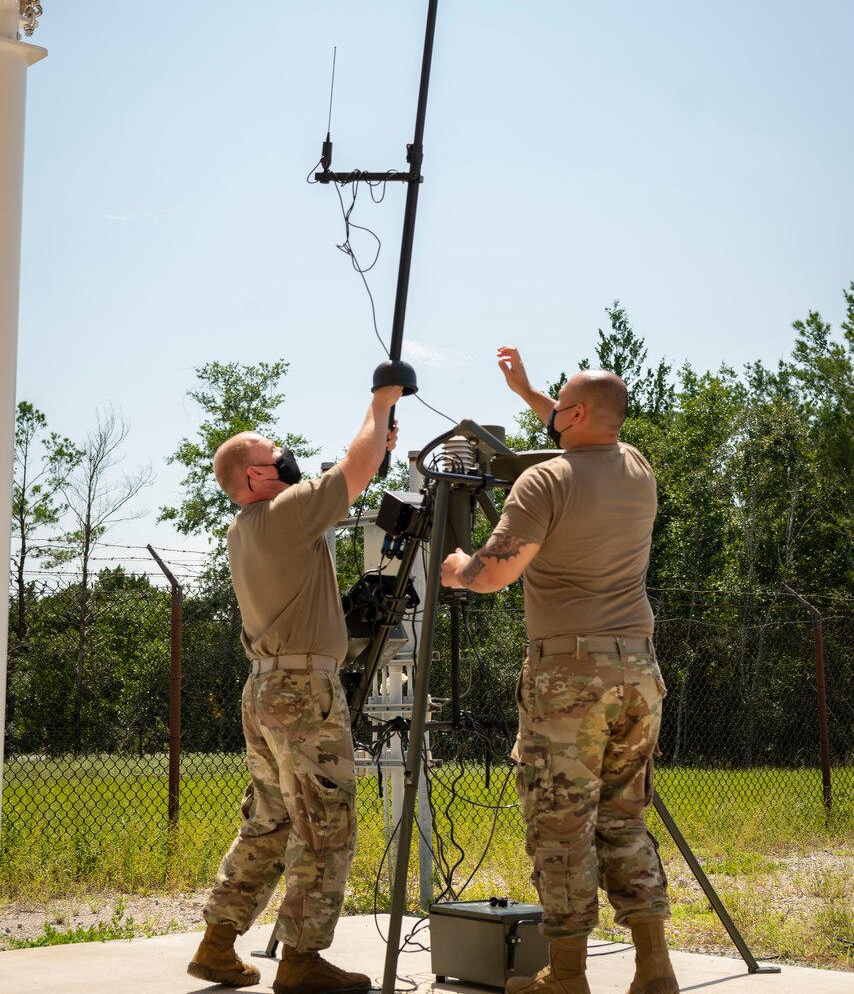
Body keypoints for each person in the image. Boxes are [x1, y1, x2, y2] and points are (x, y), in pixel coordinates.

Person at [441, 347, 678, 994]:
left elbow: (493, 574)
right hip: (638, 671)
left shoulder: (544, 482)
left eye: (558, 408)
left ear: (573, 415)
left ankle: (566, 977)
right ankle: (654, 969)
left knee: (561, 824)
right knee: (624, 820)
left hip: (569, 678)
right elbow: (583, 425)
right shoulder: (636, 468)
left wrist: (453, 565)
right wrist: (529, 393)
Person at [187, 384, 403, 994]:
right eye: (272, 452)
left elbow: (356, 468)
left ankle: (218, 942)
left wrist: (374, 443)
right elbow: (355, 468)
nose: (284, 455)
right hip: (304, 691)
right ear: (254, 476)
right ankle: (302, 961)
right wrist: (380, 402)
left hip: (267, 691)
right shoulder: (282, 514)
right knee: (326, 825)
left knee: (272, 821)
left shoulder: (247, 527)